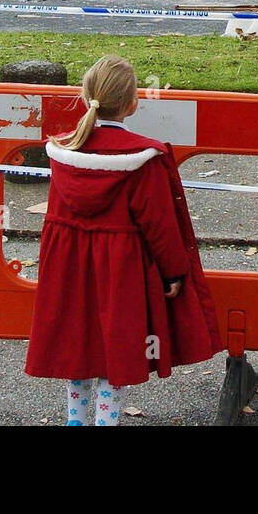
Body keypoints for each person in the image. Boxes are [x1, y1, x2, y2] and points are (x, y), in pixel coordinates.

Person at [25, 55, 222, 425]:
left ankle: (75, 419)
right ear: (133, 104)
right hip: (121, 269)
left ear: (85, 98)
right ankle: (106, 420)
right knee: (115, 349)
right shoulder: (143, 158)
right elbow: (160, 226)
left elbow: (57, 221)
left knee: (78, 342)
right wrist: (174, 273)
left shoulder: (63, 153)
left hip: (69, 269)